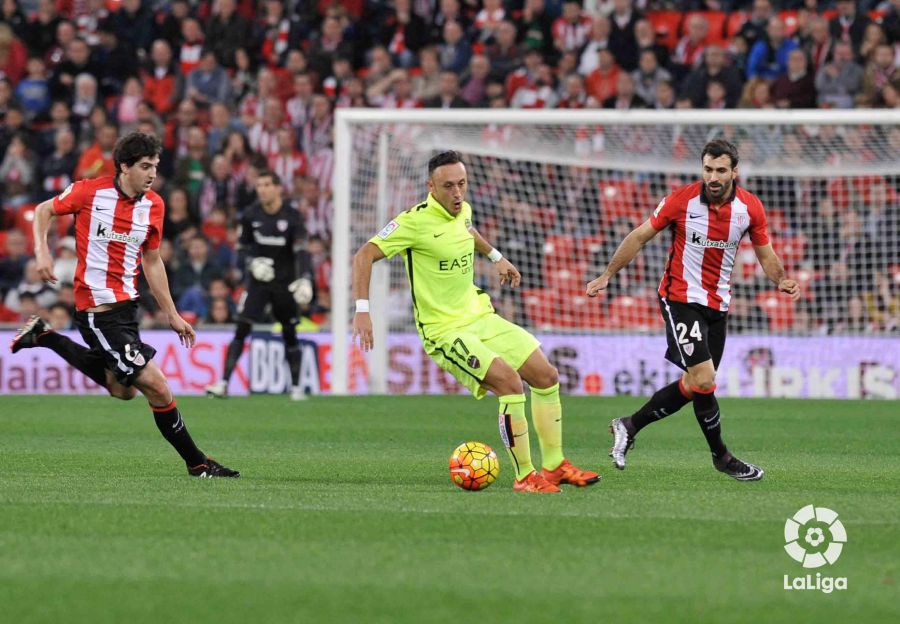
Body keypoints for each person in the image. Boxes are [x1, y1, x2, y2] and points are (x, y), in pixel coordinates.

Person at [352, 151, 599, 493]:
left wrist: (497, 257)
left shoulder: (462, 209)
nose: (457, 193)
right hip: (445, 330)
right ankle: (525, 476)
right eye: (449, 186)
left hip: (480, 316)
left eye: (462, 184)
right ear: (431, 186)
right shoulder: (412, 222)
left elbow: (467, 230)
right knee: (510, 384)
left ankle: (554, 465)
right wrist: (362, 309)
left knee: (546, 375)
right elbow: (364, 254)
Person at [9, 131, 239, 479]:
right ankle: (199, 463)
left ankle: (44, 336)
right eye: (145, 166)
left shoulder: (155, 205)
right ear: (124, 166)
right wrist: (43, 252)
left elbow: (152, 260)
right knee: (158, 386)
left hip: (126, 309)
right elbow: (43, 210)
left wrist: (172, 314)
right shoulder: (89, 191)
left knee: (123, 390)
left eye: (156, 167)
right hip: (97, 312)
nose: (152, 174)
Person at [586, 139, 800, 482]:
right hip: (680, 298)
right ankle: (722, 457)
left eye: (720, 170)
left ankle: (628, 425)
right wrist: (607, 274)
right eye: (707, 169)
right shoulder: (681, 201)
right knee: (704, 379)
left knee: (693, 384)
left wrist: (781, 279)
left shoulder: (750, 208)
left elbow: (765, 252)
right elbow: (640, 236)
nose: (713, 177)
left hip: (718, 304)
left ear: (734, 172)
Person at [205, 170, 313, 400]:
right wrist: (252, 264)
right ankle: (223, 383)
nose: (261, 189)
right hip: (258, 282)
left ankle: (296, 388)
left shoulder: (292, 216)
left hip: (285, 283)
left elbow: (302, 250)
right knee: (242, 327)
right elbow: (242, 248)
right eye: (259, 185)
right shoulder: (250, 215)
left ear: (278, 188)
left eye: (266, 185)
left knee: (289, 331)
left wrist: (304, 277)